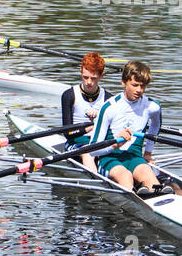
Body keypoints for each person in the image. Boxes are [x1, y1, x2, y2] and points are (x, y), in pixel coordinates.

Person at [85, 61, 164, 197]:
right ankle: (135, 198)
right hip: (109, 158)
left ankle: (157, 197)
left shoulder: (152, 107)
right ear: (123, 82)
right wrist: (115, 144)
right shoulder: (109, 108)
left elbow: (155, 127)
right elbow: (92, 150)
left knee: (148, 174)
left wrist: (148, 153)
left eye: (142, 86)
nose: (139, 90)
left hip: (134, 157)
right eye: (134, 85)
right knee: (125, 176)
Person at [60, 52, 108, 145]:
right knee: (89, 153)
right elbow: (67, 133)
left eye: (93, 78)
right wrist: (92, 127)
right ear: (81, 72)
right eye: (85, 77)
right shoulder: (69, 95)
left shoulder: (108, 98)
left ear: (102, 76)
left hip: (98, 142)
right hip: (76, 142)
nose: (89, 82)